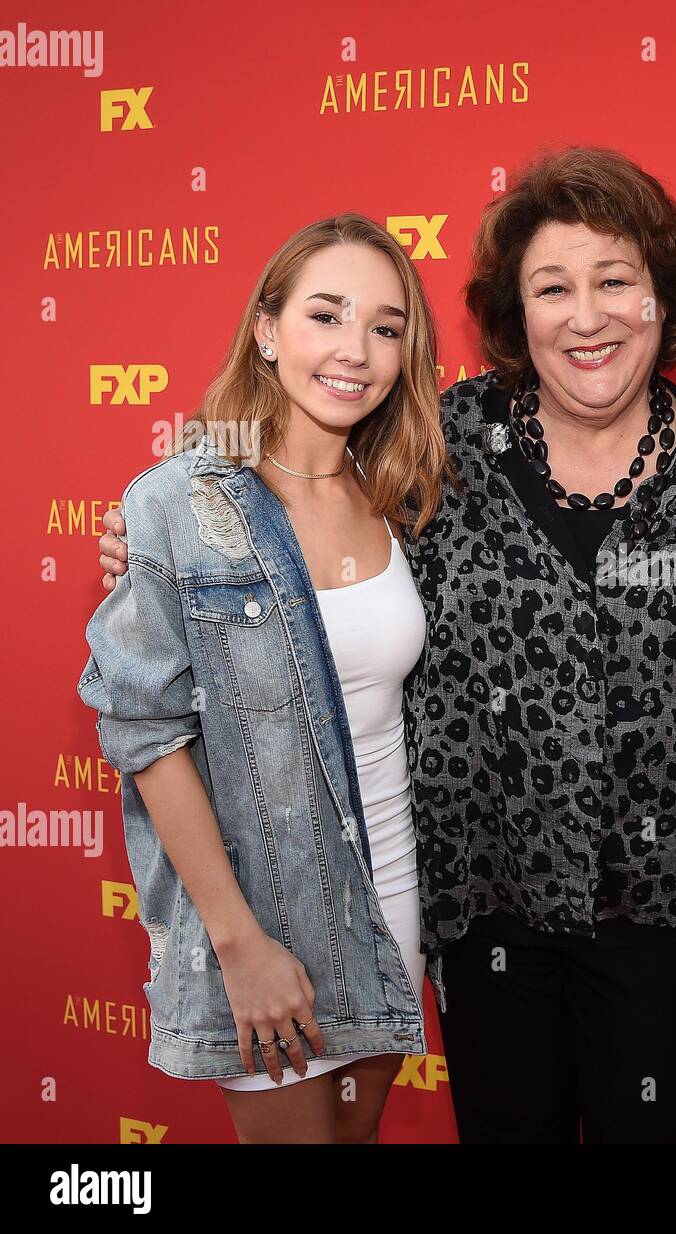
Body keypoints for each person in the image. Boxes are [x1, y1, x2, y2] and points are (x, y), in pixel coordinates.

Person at [102, 148, 676, 1144]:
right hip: (480, 907)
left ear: (663, 298)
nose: (586, 315)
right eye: (552, 287)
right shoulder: (451, 445)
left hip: (654, 915)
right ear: (516, 313)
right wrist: (145, 541)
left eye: (616, 281)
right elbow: (228, 542)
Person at [82, 212, 451, 1143]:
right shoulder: (178, 502)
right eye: (326, 315)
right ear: (267, 330)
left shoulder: (400, 493)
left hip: (392, 888)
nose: (355, 349)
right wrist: (237, 942)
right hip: (259, 906)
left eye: (385, 326)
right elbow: (146, 734)